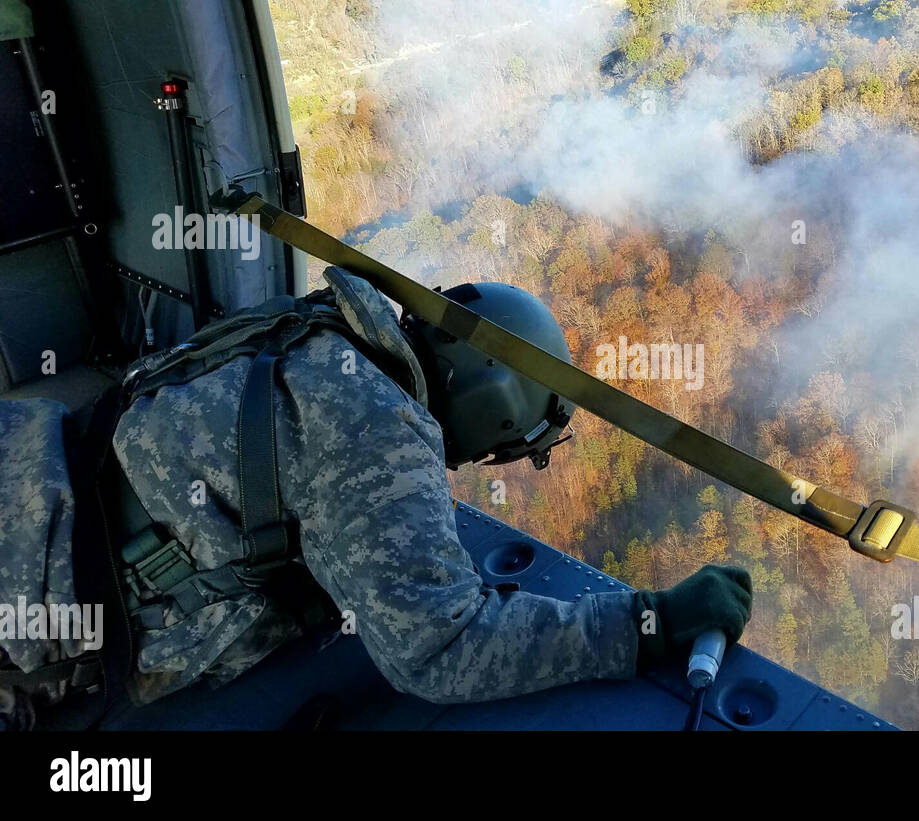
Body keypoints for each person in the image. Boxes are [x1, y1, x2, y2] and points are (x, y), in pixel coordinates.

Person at [0, 266, 753, 728]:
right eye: (498, 447)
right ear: (489, 414)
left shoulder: (317, 328)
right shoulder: (379, 430)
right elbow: (441, 649)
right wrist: (648, 621)